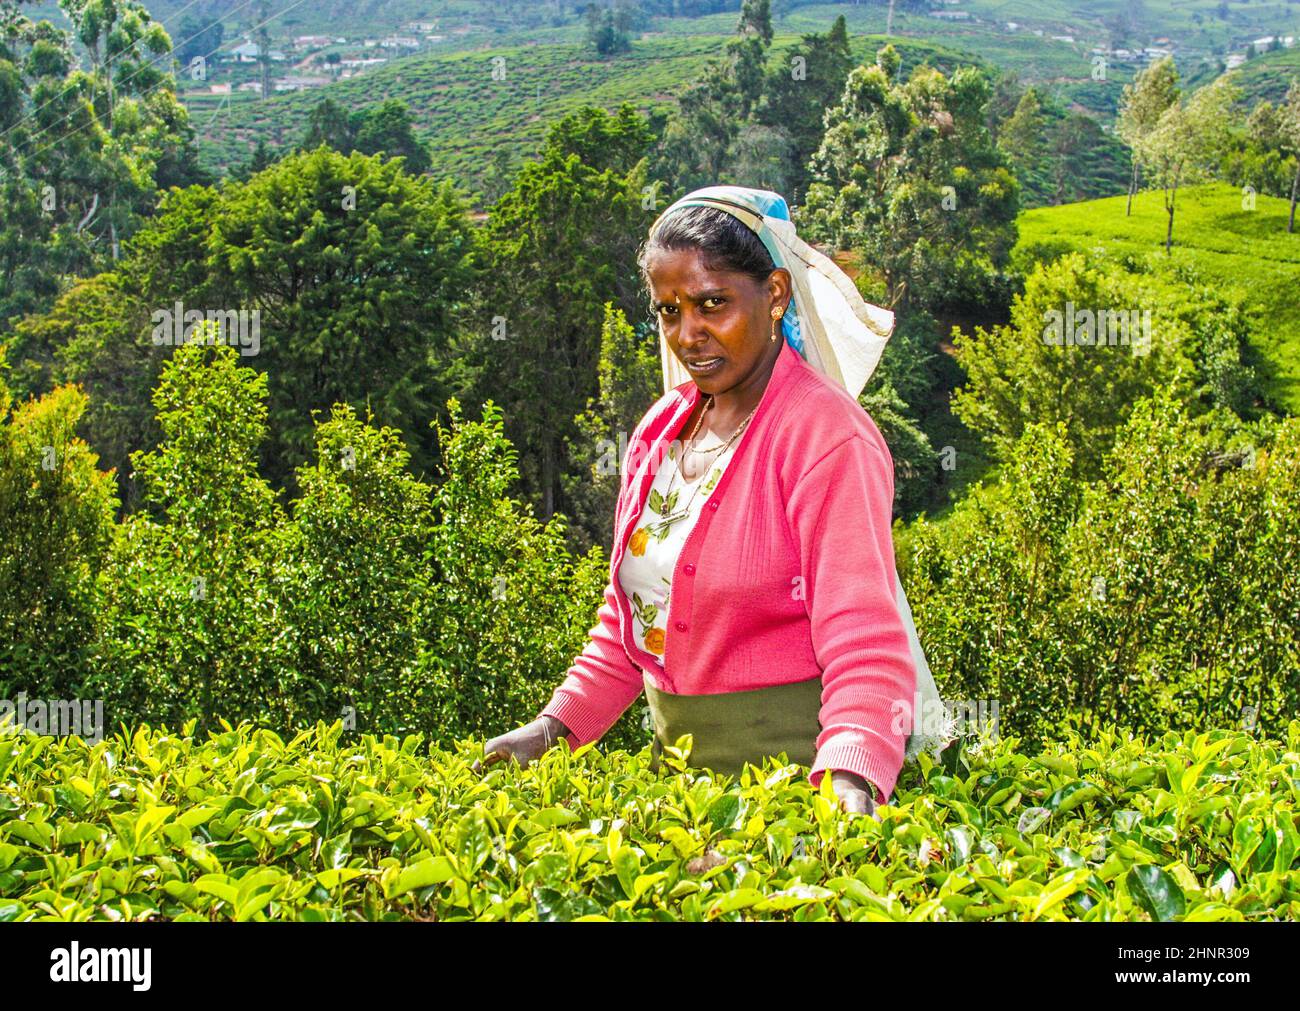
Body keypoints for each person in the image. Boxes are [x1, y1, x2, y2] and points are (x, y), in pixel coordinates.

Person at [473, 185, 946, 817]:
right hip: (682, 794)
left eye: (711, 303)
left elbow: (862, 635)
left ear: (775, 294)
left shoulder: (826, 440)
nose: (688, 335)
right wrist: (554, 728)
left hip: (796, 785)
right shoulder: (660, 433)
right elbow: (631, 618)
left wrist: (850, 780)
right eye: (669, 311)